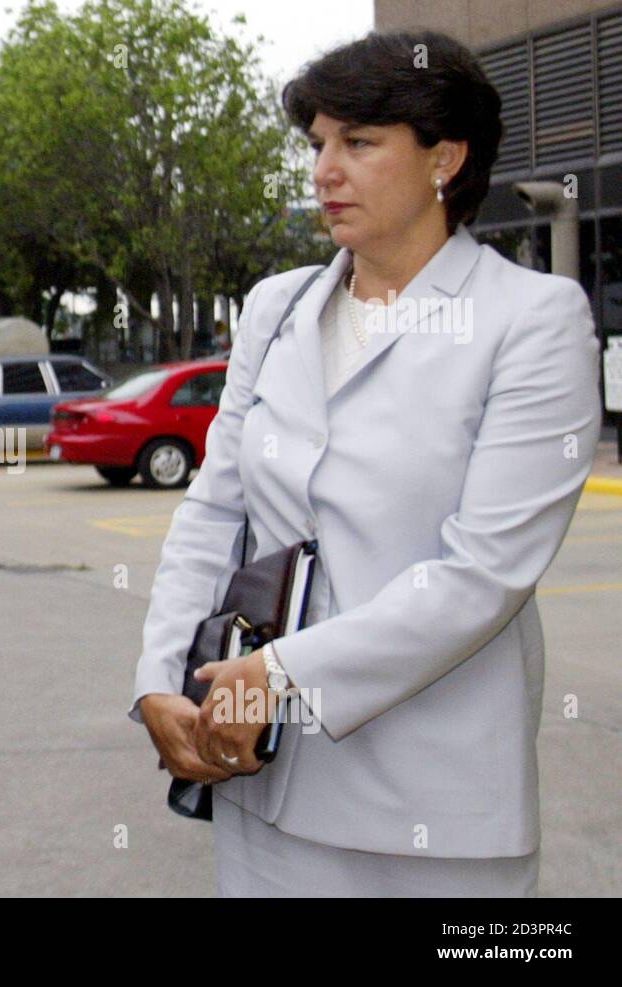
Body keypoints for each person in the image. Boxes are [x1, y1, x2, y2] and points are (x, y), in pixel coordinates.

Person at [132, 31, 601, 897]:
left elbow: (483, 572)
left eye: (358, 142)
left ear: (444, 159)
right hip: (264, 787)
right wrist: (162, 679)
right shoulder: (278, 308)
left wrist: (280, 674)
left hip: (434, 815)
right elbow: (214, 510)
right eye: (318, 144)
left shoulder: (530, 319)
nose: (324, 171)